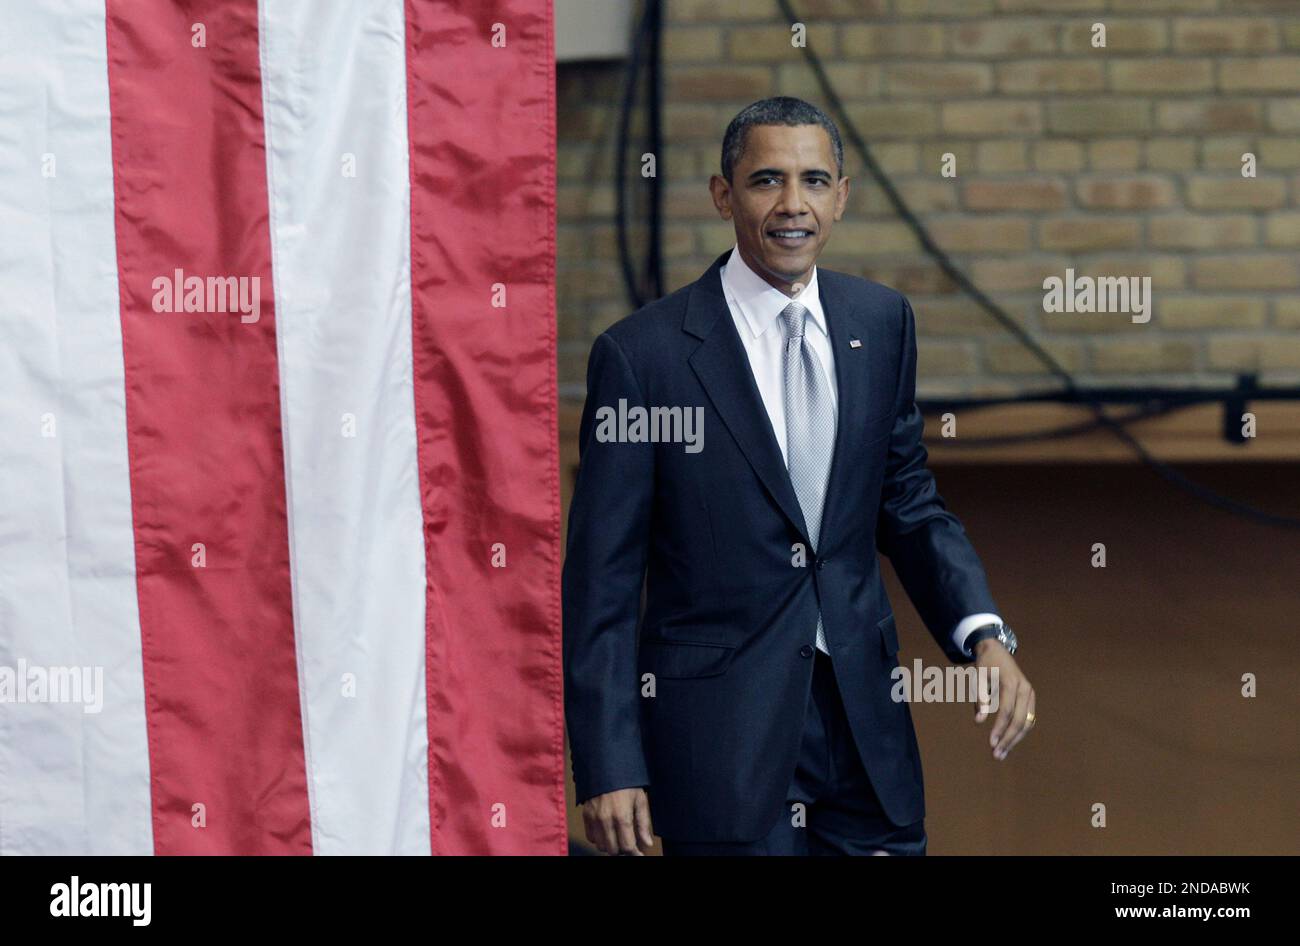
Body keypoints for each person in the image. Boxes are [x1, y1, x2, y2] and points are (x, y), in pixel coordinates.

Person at [563, 96, 1035, 856]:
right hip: (720, 751)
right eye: (766, 181)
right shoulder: (641, 358)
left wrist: (982, 633)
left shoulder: (882, 323)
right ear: (724, 196)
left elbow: (908, 504)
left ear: (841, 197)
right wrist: (608, 762)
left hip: (863, 738)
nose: (793, 205)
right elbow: (601, 583)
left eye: (814, 181)